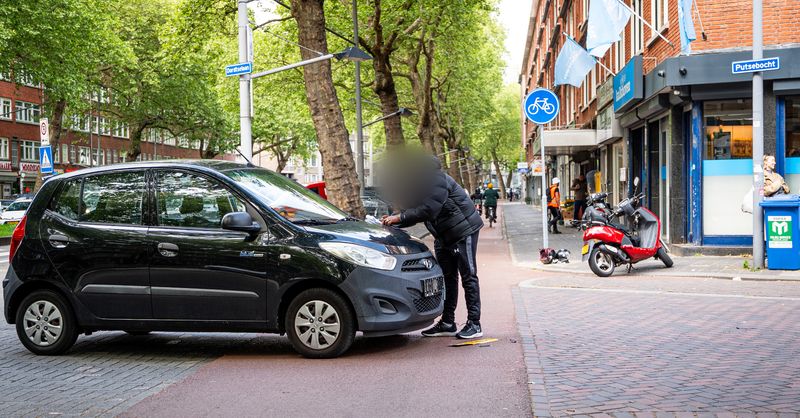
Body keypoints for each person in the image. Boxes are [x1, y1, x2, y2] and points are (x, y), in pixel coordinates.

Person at [381, 157, 485, 339]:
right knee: (448, 278)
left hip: (463, 231)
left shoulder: (437, 179)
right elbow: (413, 211)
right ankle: (447, 322)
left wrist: (399, 218)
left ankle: (475, 324)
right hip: (444, 235)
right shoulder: (423, 184)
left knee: (468, 276)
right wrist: (393, 221)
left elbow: (429, 209)